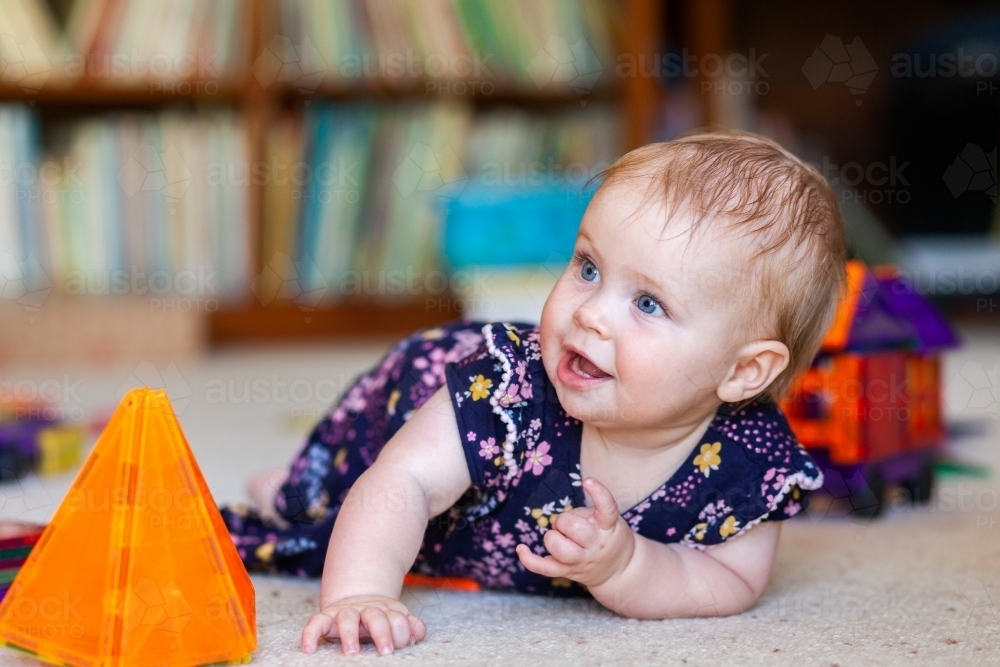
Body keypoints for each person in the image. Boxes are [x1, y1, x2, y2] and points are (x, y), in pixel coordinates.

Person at [220, 130, 847, 656]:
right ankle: (291, 482)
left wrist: (628, 567)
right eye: (588, 268)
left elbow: (729, 581)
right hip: (402, 415)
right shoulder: (509, 389)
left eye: (649, 303)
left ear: (743, 373)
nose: (591, 314)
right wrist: (360, 592)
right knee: (318, 505)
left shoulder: (751, 466)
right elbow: (402, 481)